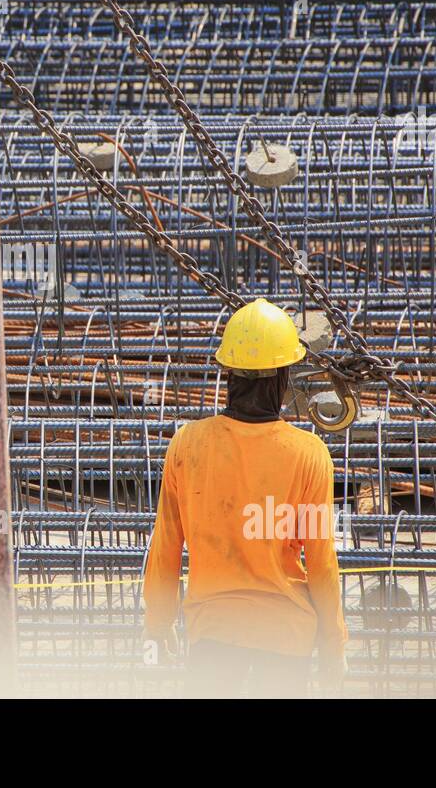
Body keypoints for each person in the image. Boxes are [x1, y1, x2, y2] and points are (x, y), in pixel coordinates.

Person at [143, 298, 348, 697]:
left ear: (229, 373)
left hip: (214, 633)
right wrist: (333, 642)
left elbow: (166, 545)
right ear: (283, 378)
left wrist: (157, 622)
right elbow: (321, 561)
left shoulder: (187, 444)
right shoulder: (308, 454)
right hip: (287, 634)